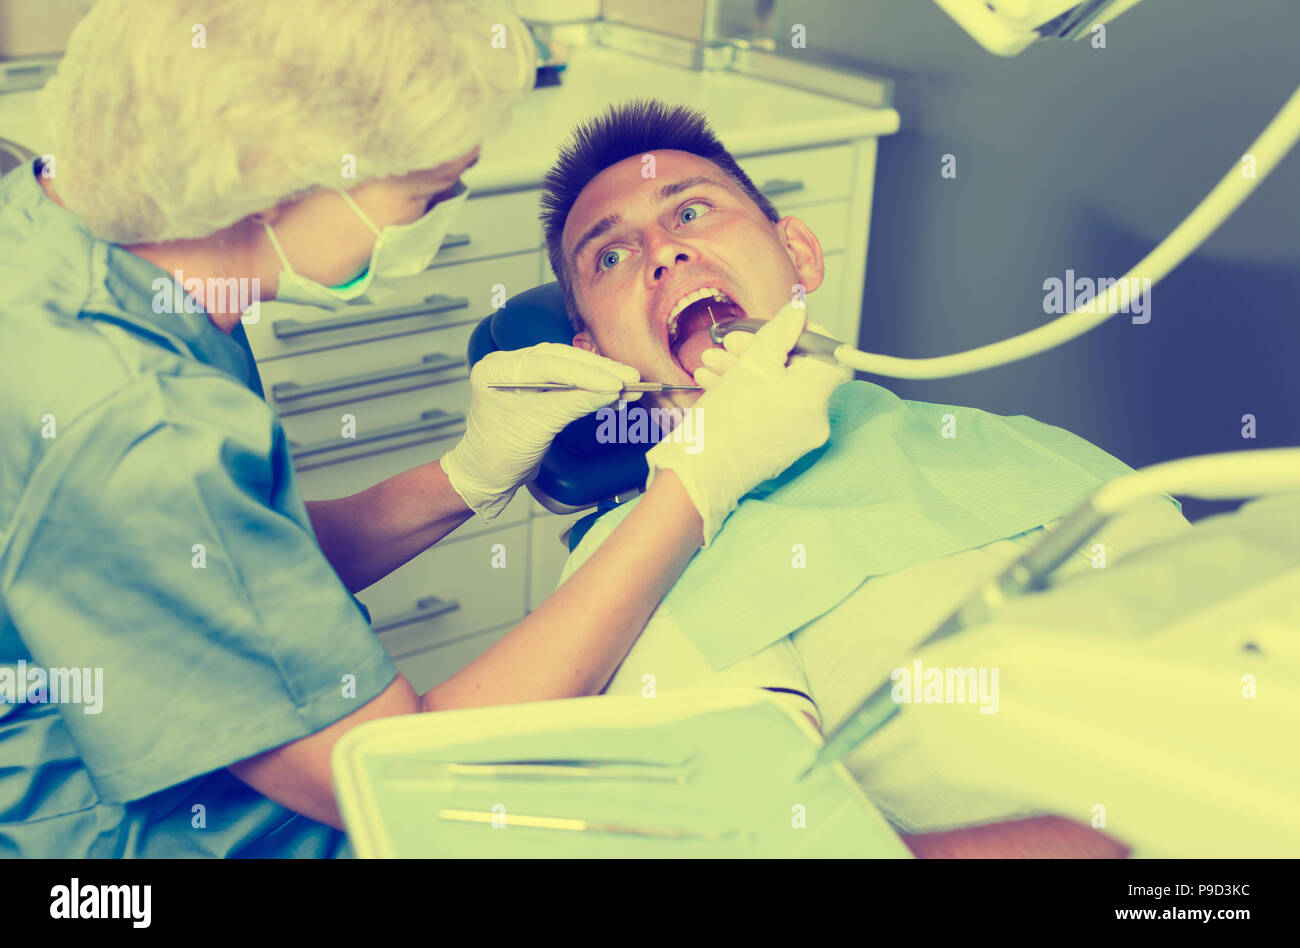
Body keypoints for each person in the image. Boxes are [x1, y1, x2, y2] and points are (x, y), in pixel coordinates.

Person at [0, 4, 848, 857]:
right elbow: (398, 775)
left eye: (692, 215)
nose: (442, 210)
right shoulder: (132, 419)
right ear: (277, 173)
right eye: (426, 193)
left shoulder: (78, 231)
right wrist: (695, 485)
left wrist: (462, 478)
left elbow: (220, 567)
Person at [538, 99, 1194, 857]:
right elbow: (780, 846)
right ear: (597, 362)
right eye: (610, 257)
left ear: (801, 257)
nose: (662, 253)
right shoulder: (635, 569)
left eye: (691, 211)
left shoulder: (1021, 444)